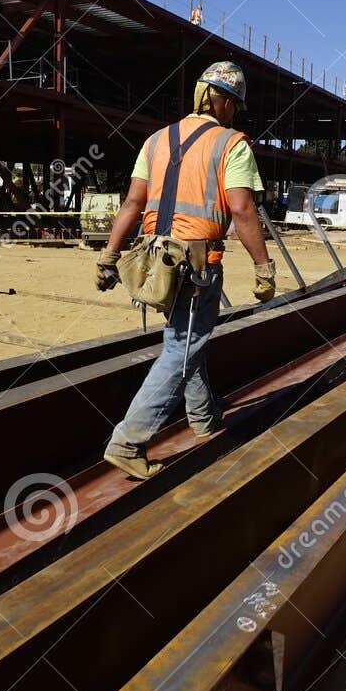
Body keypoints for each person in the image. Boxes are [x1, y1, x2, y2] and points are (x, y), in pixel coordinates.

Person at [95, 60, 276, 479]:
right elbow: (243, 209)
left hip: (154, 262)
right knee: (181, 350)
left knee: (185, 339)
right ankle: (128, 441)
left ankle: (204, 419)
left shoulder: (156, 140)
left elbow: (132, 204)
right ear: (224, 100)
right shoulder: (231, 144)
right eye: (234, 104)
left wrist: (109, 255)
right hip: (196, 265)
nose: (234, 112)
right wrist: (263, 267)